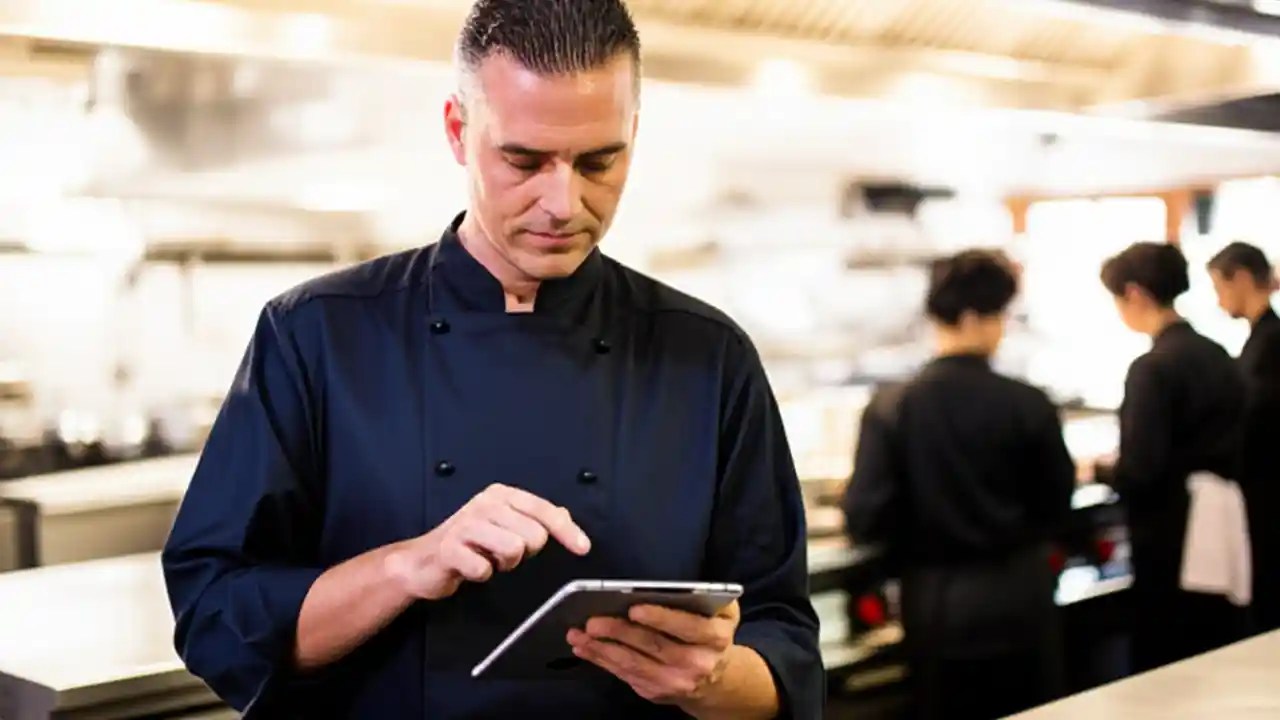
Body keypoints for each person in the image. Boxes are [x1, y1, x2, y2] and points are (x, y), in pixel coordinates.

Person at [160, 1, 823, 718]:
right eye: (524, 160)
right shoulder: (317, 337)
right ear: (458, 130)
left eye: (599, 161)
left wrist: (710, 679)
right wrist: (409, 565)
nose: (563, 202)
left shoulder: (708, 357)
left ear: (633, 135)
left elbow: (783, 644)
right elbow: (216, 619)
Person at [843, 250, 1074, 720]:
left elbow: (866, 516)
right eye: (999, 317)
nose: (1002, 329)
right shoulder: (1028, 403)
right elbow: (1057, 502)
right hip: (1022, 596)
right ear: (973, 319)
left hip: (937, 607)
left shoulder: (892, 407)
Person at [1096, 242, 1248, 674]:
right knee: (1218, 645)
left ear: (1135, 294)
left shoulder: (1152, 367)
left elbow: (1141, 468)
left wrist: (1101, 469)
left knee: (1168, 655)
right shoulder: (1216, 353)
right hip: (1224, 516)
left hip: (1172, 528)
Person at [1207, 241, 1280, 632]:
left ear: (1243, 279)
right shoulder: (1261, 340)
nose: (1219, 302)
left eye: (1220, 288)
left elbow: (1257, 421)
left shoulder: (1271, 343)